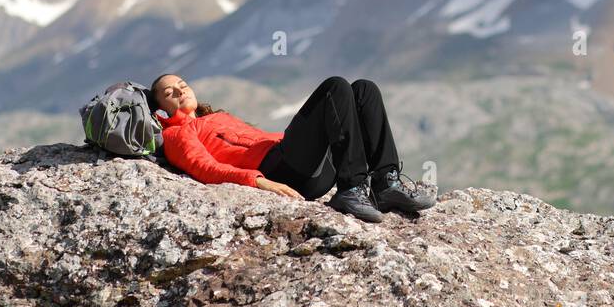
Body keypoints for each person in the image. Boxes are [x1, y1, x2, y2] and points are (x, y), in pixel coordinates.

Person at [146, 73, 435, 223]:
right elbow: (203, 167)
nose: (181, 90)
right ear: (161, 109)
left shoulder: (217, 117)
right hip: (280, 168)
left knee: (363, 89)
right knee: (335, 87)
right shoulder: (177, 133)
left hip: (309, 170)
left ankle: (385, 183)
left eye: (183, 84)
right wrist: (257, 181)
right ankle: (352, 188)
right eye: (170, 92)